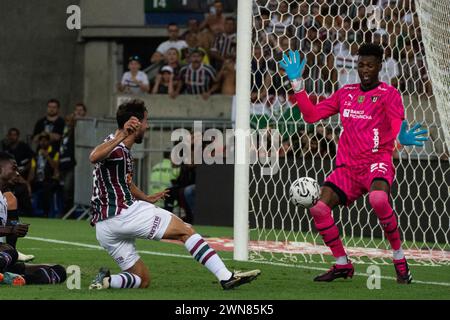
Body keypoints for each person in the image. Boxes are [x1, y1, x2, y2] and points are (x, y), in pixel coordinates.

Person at [279, 43, 428, 283]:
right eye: (361, 65)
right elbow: (311, 116)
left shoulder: (389, 94)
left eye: (370, 65)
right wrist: (297, 83)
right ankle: (341, 263)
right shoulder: (345, 93)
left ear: (380, 66)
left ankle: (399, 258)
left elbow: (396, 121)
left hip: (376, 162)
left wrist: (401, 135)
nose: (365, 69)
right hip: (346, 169)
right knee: (318, 207)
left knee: (378, 199)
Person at [88, 100, 260, 290]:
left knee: (142, 279)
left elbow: (126, 182)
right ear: (134, 123)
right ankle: (226, 276)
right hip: (123, 214)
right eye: (145, 121)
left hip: (104, 227)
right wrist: (122, 135)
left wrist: (146, 197)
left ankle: (106, 281)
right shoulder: (117, 147)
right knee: (186, 230)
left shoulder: (118, 147)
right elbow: (93, 157)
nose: (147, 126)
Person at [0, 152, 66, 286]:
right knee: (10, 252)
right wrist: (11, 230)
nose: (18, 173)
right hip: (5, 254)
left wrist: (12, 231)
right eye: (14, 168)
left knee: (58, 270)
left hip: (4, 256)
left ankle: (18, 280)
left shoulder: (4, 198)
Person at [28, 132, 60, 218]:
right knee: (24, 188)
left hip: (50, 180)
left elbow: (55, 167)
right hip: (38, 180)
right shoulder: (35, 155)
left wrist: (47, 156)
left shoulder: (55, 153)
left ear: (49, 141)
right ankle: (29, 213)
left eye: (45, 140)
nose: (43, 142)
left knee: (46, 188)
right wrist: (28, 184)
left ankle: (46, 213)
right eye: (41, 141)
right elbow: (32, 171)